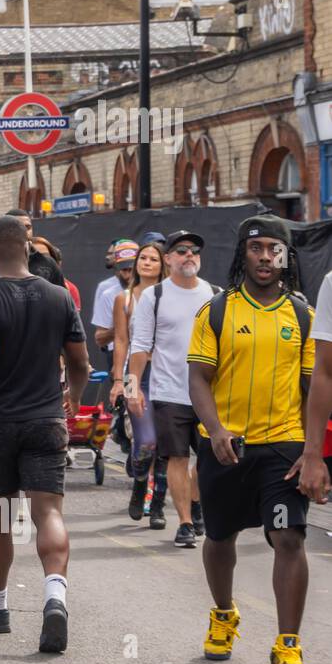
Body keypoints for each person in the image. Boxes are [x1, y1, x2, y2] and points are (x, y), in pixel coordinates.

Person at [188, 215, 315, 664]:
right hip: (226, 447)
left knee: (290, 539)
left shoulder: (302, 316)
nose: (266, 257)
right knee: (220, 538)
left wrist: (314, 450)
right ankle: (224, 614)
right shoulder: (216, 312)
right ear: (243, 253)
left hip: (283, 447)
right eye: (257, 247)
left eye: (274, 249)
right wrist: (215, 429)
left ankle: (288, 647)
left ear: (286, 257)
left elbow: (311, 389)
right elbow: (198, 378)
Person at [0, 215, 89, 653]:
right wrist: (72, 394)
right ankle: (55, 597)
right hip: (47, 420)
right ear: (29, 248)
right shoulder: (59, 297)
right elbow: (81, 362)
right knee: (48, 513)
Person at [126, 230, 214, 546]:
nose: (189, 255)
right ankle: (186, 523)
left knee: (207, 459)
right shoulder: (155, 296)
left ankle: (196, 502)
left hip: (208, 394)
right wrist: (131, 387)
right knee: (176, 457)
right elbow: (138, 345)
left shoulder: (214, 295)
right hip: (168, 391)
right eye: (181, 250)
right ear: (169, 259)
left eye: (194, 250)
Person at [109, 241, 168, 523]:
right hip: (136, 374)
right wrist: (118, 380)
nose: (146, 262)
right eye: (142, 258)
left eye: (153, 259)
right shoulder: (125, 298)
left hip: (168, 374)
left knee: (168, 443)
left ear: (162, 265)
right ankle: (140, 483)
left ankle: (157, 505)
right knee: (145, 440)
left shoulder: (170, 295)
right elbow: (121, 340)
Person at [0, 209, 65, 287]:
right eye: (18, 227)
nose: (24, 231)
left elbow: (62, 298)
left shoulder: (47, 264)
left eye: (28, 227)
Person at [92, 239, 138, 373]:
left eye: (132, 269)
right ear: (116, 269)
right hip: (119, 358)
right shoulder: (109, 294)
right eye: (124, 269)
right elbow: (99, 338)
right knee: (129, 392)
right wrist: (122, 326)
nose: (128, 274)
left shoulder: (153, 291)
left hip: (149, 359)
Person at [32, 236, 80, 310]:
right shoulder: (13, 290)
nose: (40, 261)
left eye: (45, 256)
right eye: (34, 256)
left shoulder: (68, 289)